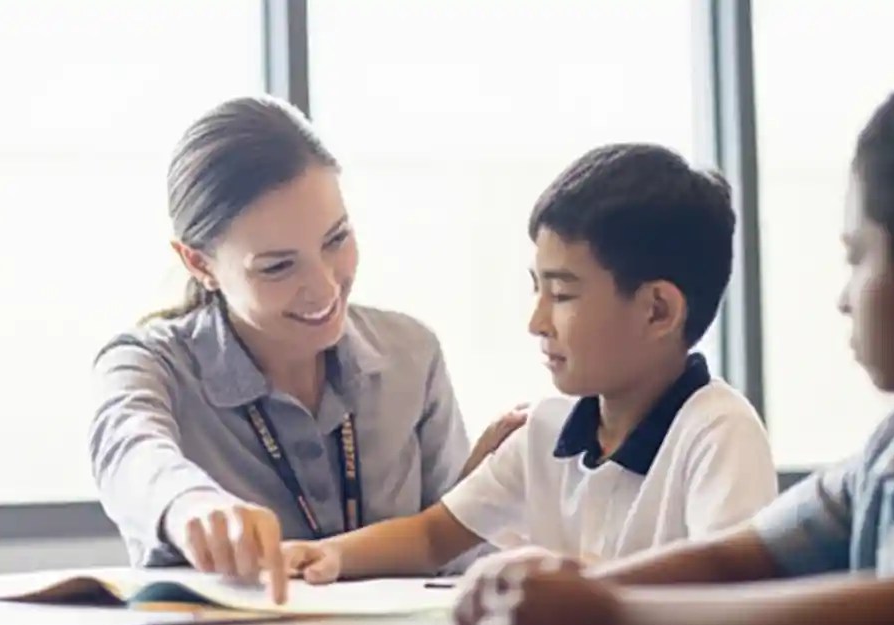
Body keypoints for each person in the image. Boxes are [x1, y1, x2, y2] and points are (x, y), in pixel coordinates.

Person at [452, 77, 894, 625]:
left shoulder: (716, 423)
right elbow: (744, 557)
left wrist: (614, 616)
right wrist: (560, 594)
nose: (844, 298)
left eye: (858, 256)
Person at [283, 144, 778, 585]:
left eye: (562, 294)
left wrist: (584, 591)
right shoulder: (547, 429)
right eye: (536, 288)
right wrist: (325, 554)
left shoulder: (718, 432)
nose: (537, 321)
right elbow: (433, 536)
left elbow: (730, 588)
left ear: (657, 310)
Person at [89, 96, 516, 603]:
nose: (324, 288)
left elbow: (457, 558)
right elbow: (131, 454)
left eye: (336, 239)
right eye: (277, 267)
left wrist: (489, 494)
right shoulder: (149, 364)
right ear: (198, 263)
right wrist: (189, 503)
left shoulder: (411, 355)